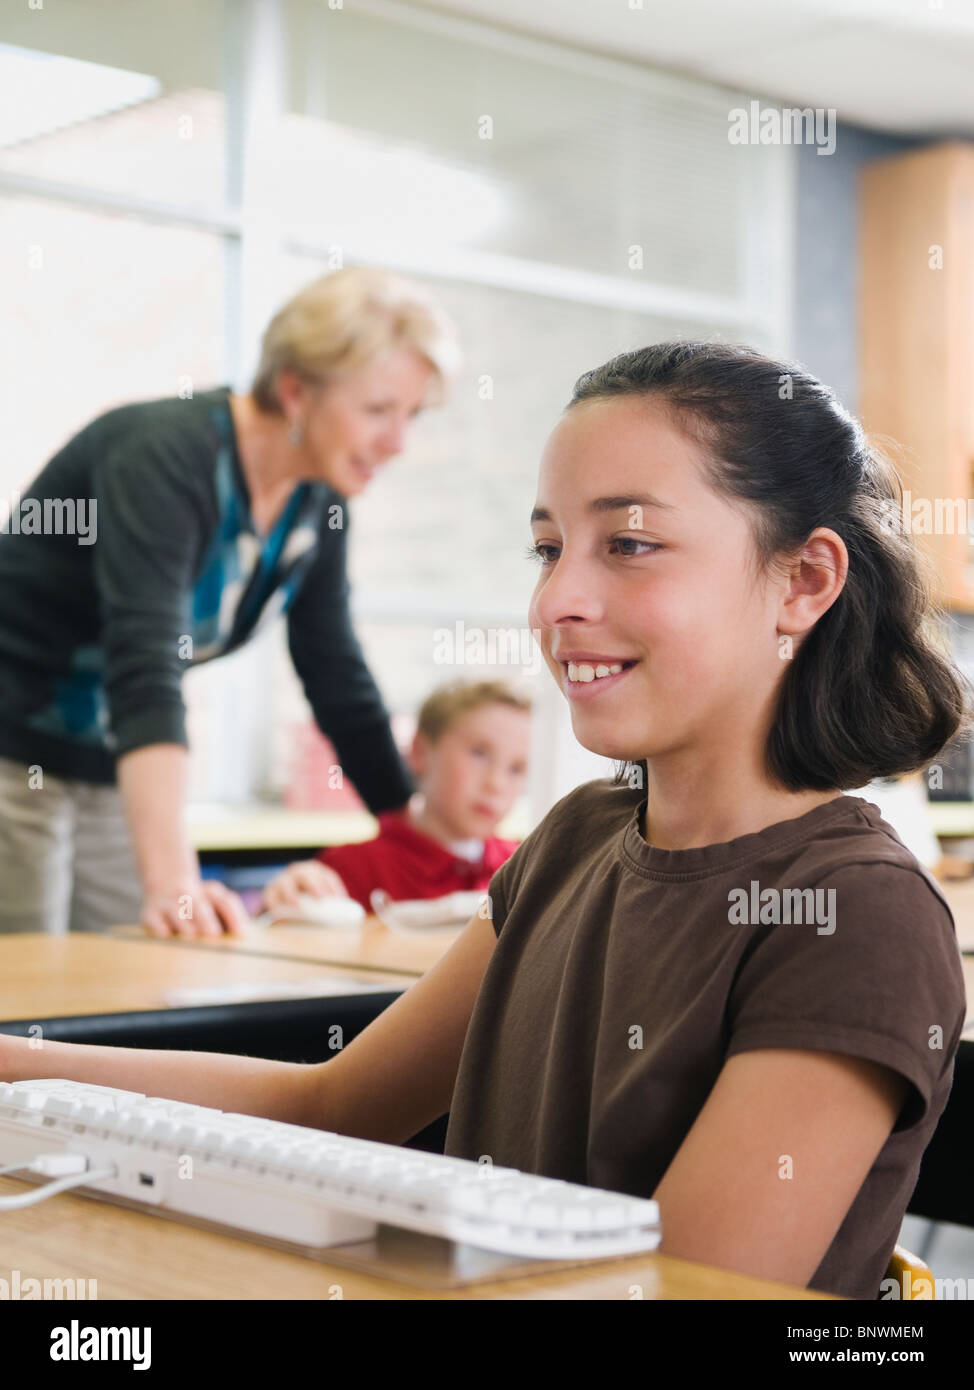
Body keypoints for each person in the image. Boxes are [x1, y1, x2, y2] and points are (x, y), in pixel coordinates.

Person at [1, 341, 968, 1299]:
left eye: (627, 544)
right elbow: (334, 1105)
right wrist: (16, 1066)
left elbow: (667, 1301)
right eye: (548, 550)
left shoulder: (859, 920)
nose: (558, 601)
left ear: (803, 582)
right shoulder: (576, 838)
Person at [0, 268, 459, 938]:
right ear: (296, 390)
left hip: (106, 762)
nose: (399, 443)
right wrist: (175, 883)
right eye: (378, 410)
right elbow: (146, 664)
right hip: (11, 744)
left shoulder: (317, 498)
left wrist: (414, 826)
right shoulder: (165, 454)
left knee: (137, 970)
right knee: (25, 984)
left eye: (411, 416)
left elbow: (334, 670)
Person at [262, 680, 530, 917]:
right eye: (479, 754)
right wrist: (294, 893)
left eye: (516, 768)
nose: (496, 784)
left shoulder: (526, 870)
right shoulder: (352, 868)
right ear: (421, 752)